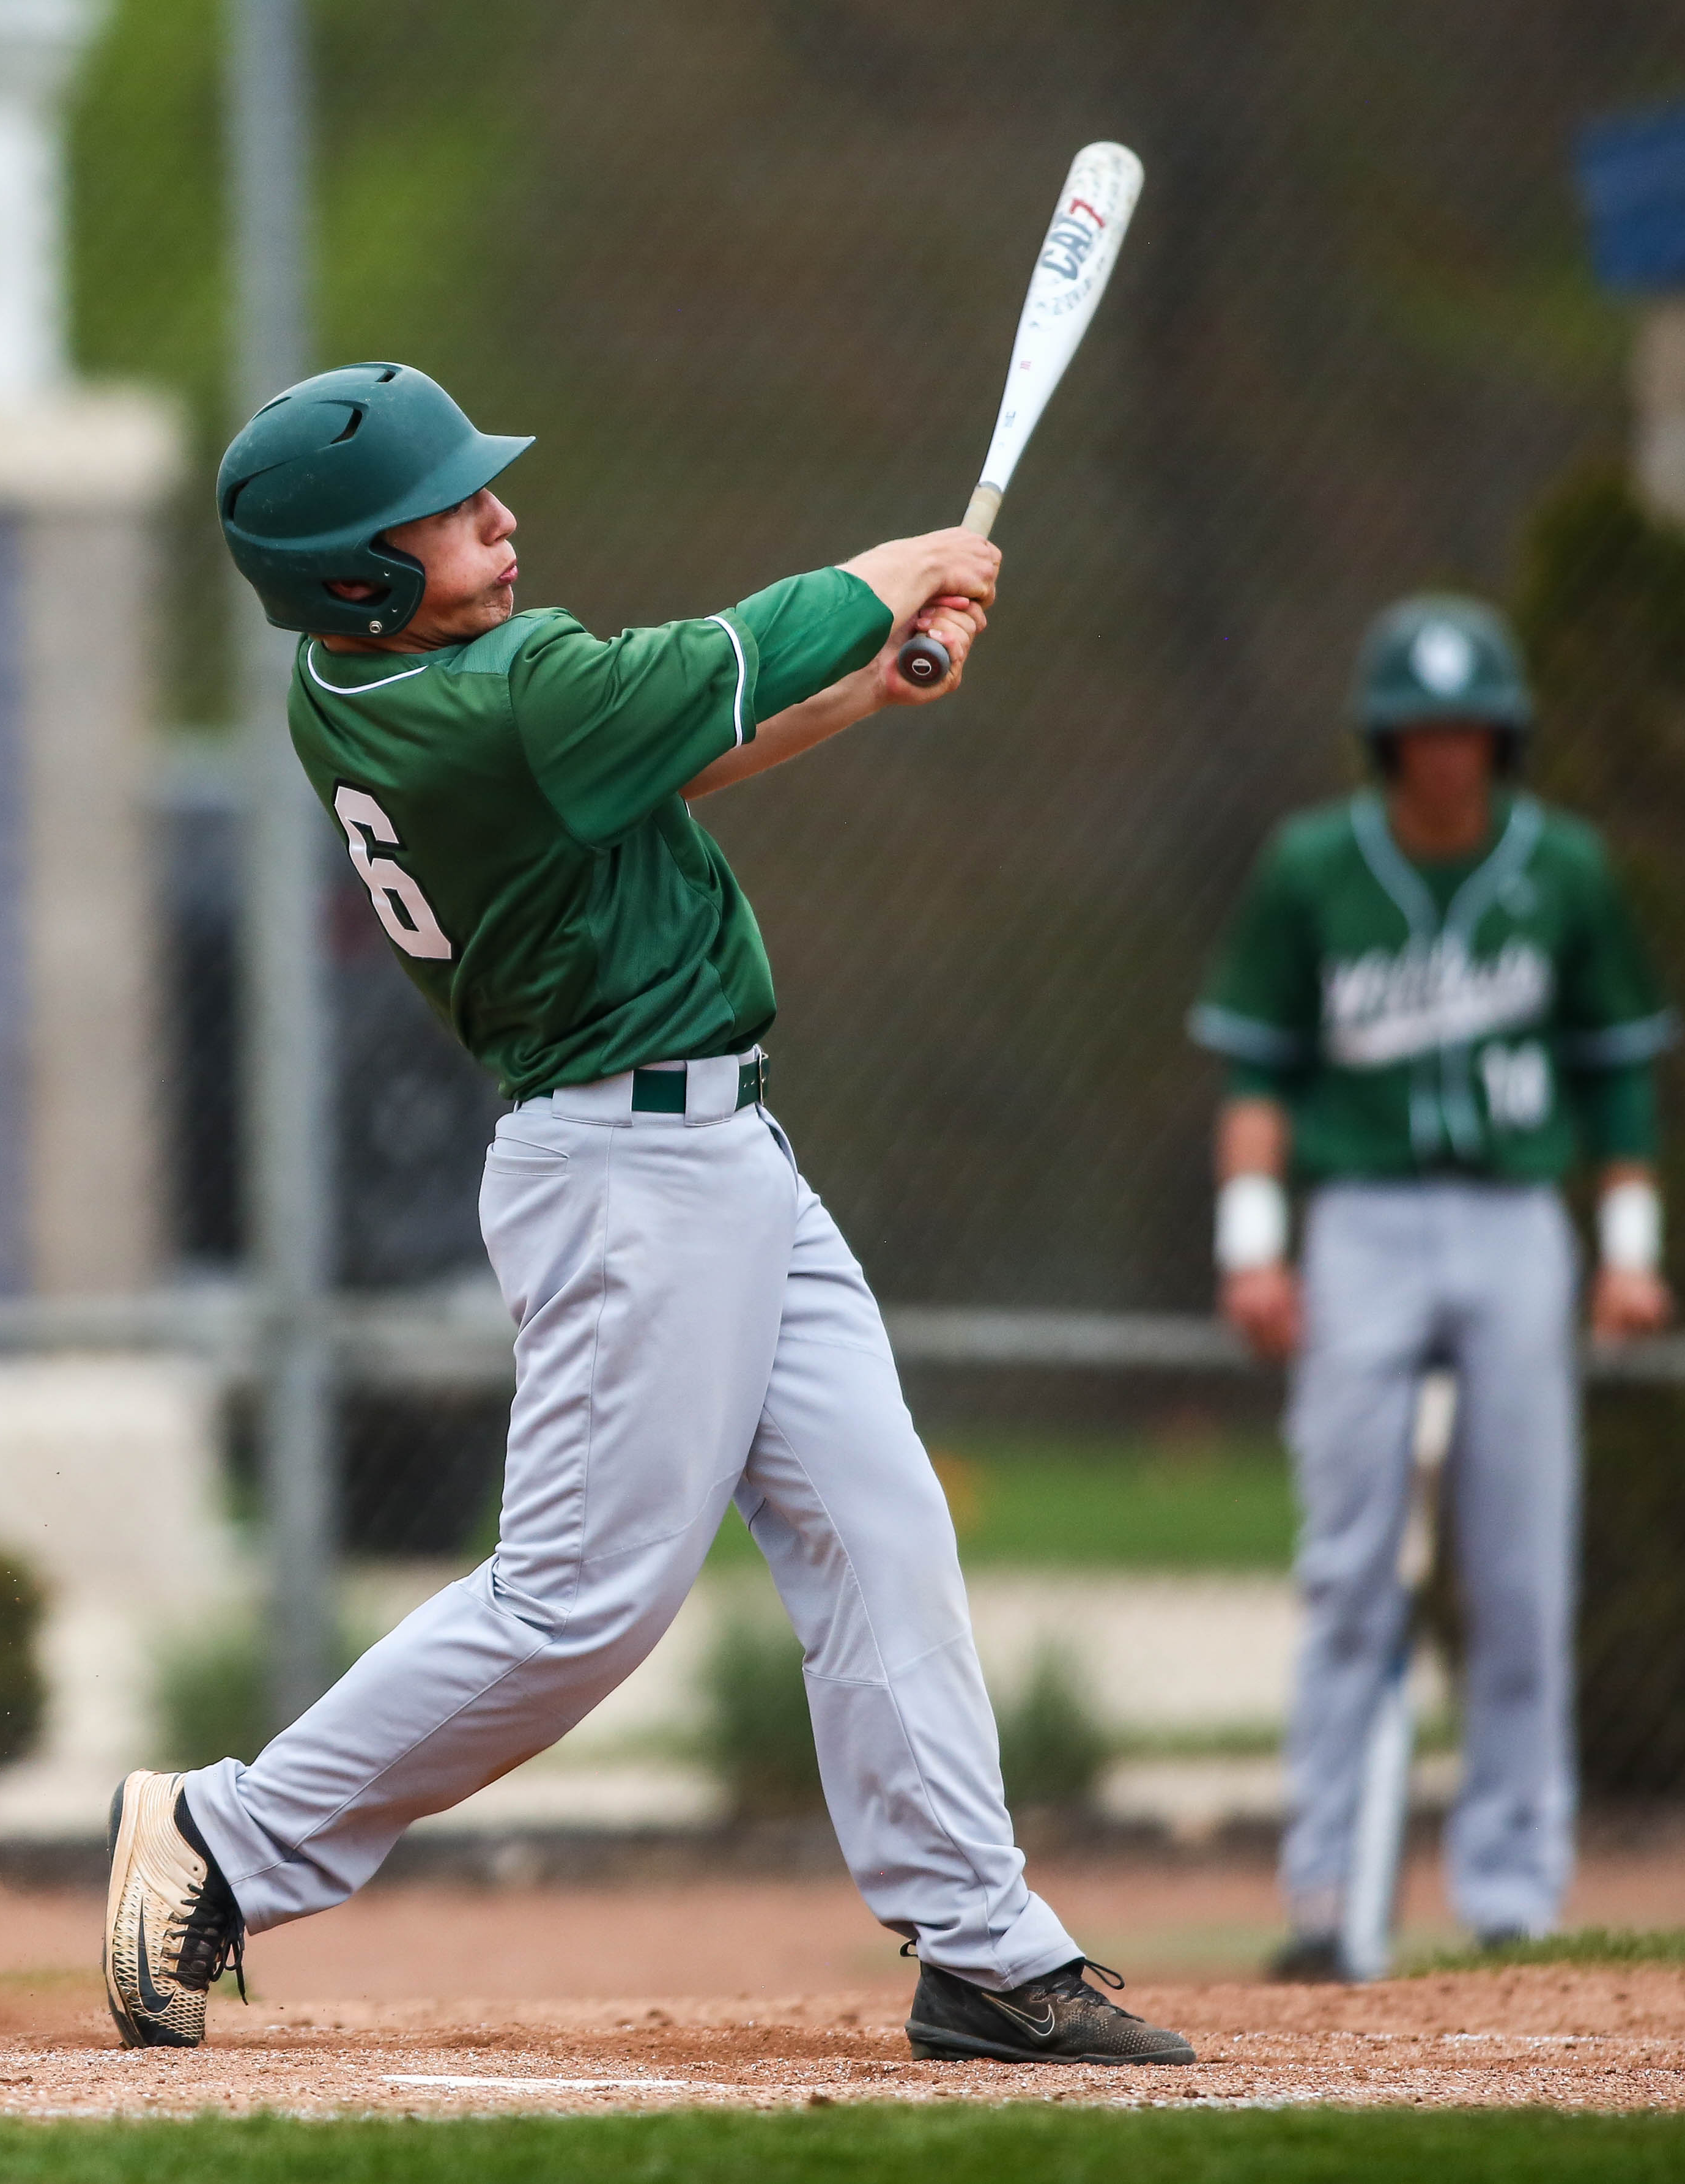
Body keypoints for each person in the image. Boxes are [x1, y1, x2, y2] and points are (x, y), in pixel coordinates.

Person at [100, 363, 1193, 2067]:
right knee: (575, 1603)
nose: (497, 514)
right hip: (627, 1172)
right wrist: (894, 571)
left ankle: (977, 1943)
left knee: (873, 1523)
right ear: (355, 574)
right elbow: (721, 656)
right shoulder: (491, 698)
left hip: (712, 1153)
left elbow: (673, 752)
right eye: (450, 508)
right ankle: (223, 1839)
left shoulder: (377, 686)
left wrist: (871, 687)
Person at [1188, 595, 1674, 1977]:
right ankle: (1325, 1890)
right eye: (1419, 732)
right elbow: (1257, 1073)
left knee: (1518, 1571)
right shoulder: (1309, 870)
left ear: (1497, 738)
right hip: (1361, 1218)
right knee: (1348, 1563)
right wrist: (1249, 1248)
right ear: (1384, 743)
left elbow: (1614, 1076)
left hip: (1515, 1218)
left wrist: (1628, 1258)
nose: (1443, 755)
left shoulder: (1562, 871)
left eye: (1464, 730)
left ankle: (1513, 1888)